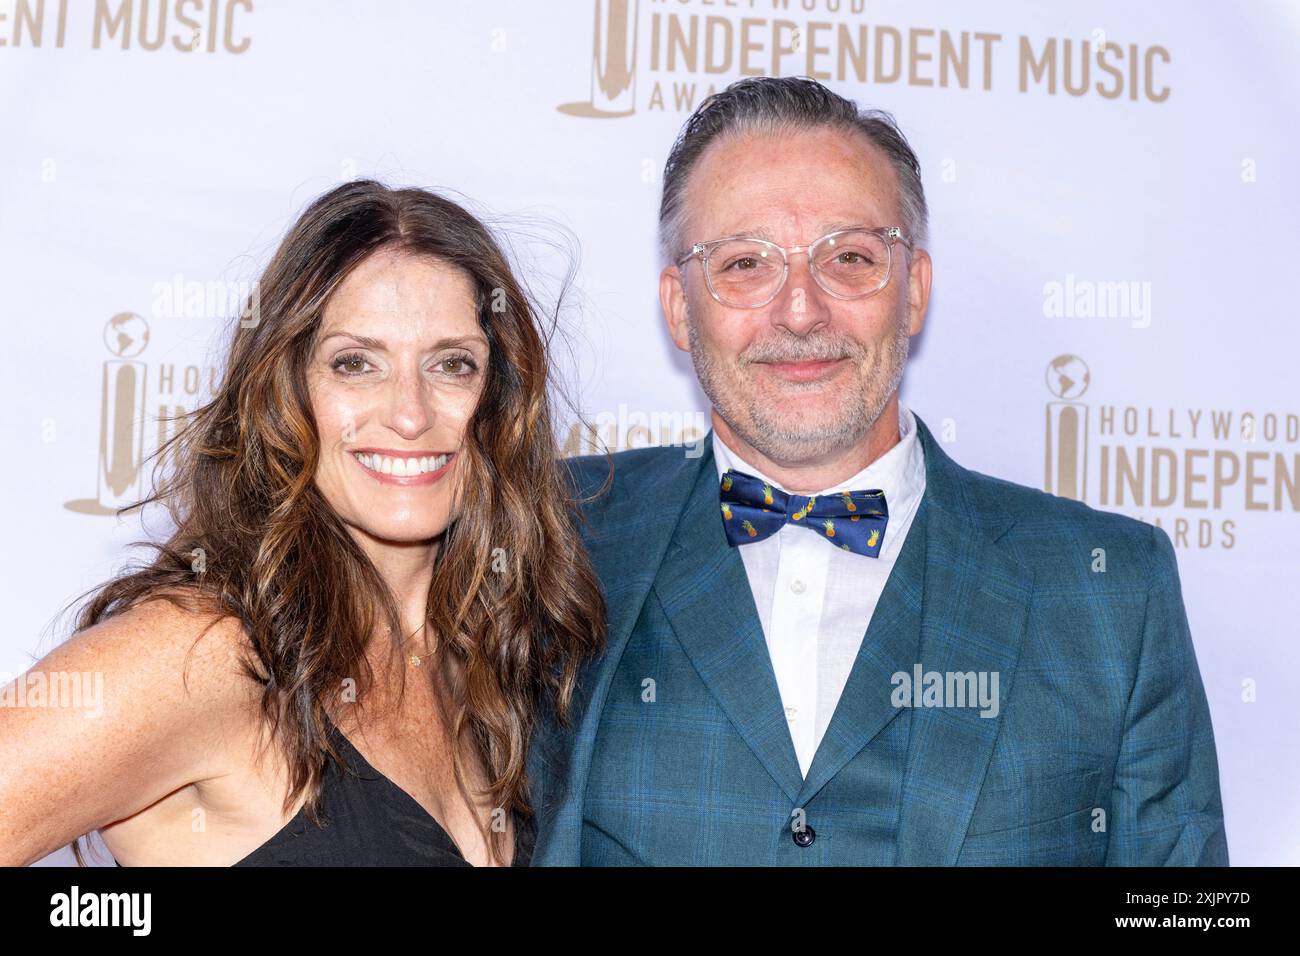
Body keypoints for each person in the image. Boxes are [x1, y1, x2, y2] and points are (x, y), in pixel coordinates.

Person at [529, 76, 1228, 866]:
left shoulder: (1110, 591)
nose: (799, 310)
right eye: (746, 262)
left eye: (851, 258)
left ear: (915, 292)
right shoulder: (554, 532)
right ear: (681, 309)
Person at [0, 180, 605, 866]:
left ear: (495, 401)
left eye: (451, 364)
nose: (409, 412)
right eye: (356, 364)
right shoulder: (203, 654)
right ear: (287, 392)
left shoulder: (487, 665)